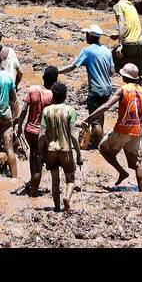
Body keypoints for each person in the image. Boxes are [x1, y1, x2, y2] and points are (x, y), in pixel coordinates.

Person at [80, 63, 142, 191]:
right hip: (137, 132)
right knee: (138, 164)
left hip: (121, 130)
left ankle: (121, 171)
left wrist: (90, 117)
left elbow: (106, 106)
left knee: (102, 147)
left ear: (125, 77)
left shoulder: (123, 89)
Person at [59, 24, 114, 148]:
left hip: (96, 90)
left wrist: (58, 71)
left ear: (90, 36)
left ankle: (99, 146)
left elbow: (73, 66)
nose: (85, 36)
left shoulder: (87, 51)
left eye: (86, 34)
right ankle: (99, 139)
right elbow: (112, 72)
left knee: (94, 121)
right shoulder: (107, 51)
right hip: (107, 90)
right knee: (100, 114)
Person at [37, 82, 81, 212]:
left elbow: (41, 135)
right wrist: (78, 153)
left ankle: (56, 208)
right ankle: (67, 198)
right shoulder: (70, 110)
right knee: (70, 179)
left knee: (55, 181)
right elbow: (73, 135)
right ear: (65, 96)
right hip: (65, 149)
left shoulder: (46, 111)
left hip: (51, 149)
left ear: (53, 96)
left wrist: (40, 153)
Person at [16, 66, 57, 197]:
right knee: (39, 163)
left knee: (33, 157)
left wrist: (19, 127)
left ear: (43, 77)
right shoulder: (53, 96)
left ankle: (32, 180)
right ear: (55, 81)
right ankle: (33, 194)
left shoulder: (32, 89)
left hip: (29, 131)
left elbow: (23, 110)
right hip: (43, 133)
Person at [110, 0, 142, 76]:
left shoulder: (118, 6)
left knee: (109, 62)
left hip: (128, 44)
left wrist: (120, 44)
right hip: (139, 43)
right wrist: (118, 35)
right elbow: (130, 25)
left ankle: (109, 88)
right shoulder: (130, 4)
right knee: (136, 72)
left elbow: (121, 24)